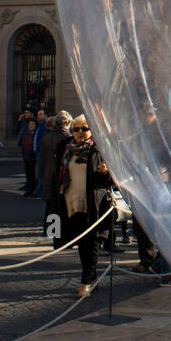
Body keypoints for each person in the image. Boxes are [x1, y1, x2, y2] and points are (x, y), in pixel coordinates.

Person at [54, 116, 113, 298]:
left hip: (92, 203)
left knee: (92, 241)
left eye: (84, 128)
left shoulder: (100, 149)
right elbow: (57, 173)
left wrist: (105, 172)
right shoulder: (65, 148)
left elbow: (111, 182)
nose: (80, 133)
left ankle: (85, 281)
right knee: (82, 243)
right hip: (72, 202)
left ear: (91, 130)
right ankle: (92, 278)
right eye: (76, 129)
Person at [40, 111, 73, 246]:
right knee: (62, 207)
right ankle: (62, 236)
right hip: (61, 175)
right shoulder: (68, 139)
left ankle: (51, 230)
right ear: (68, 123)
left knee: (51, 204)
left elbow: (41, 158)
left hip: (48, 173)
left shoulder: (46, 137)